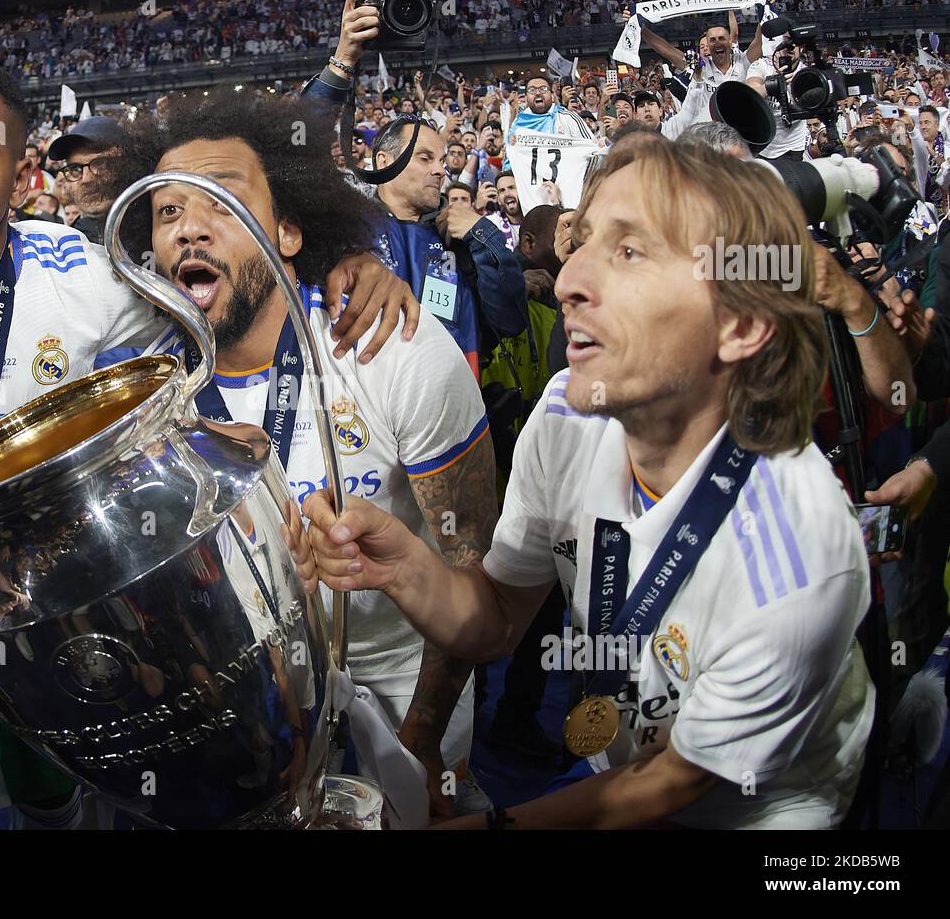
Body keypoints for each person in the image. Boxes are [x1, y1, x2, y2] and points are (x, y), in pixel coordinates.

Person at [0, 58, 423, 830]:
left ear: (24, 178)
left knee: (58, 801)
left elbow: (225, 303)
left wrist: (344, 264)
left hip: (52, 604)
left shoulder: (88, 278)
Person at [303, 138, 876, 828]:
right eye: (586, 239)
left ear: (742, 323)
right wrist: (406, 566)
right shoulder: (563, 417)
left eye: (629, 252)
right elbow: (496, 619)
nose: (569, 275)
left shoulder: (800, 555)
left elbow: (670, 784)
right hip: (621, 769)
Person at [113, 88, 498, 819]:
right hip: (241, 715)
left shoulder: (393, 347)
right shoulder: (142, 399)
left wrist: (419, 741)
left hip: (399, 690)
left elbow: (472, 566)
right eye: (168, 212)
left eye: (220, 202)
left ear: (288, 232)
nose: (190, 228)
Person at [47, 116, 123, 243]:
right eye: (75, 168)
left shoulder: (156, 223)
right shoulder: (76, 237)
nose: (86, 179)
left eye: (100, 164)